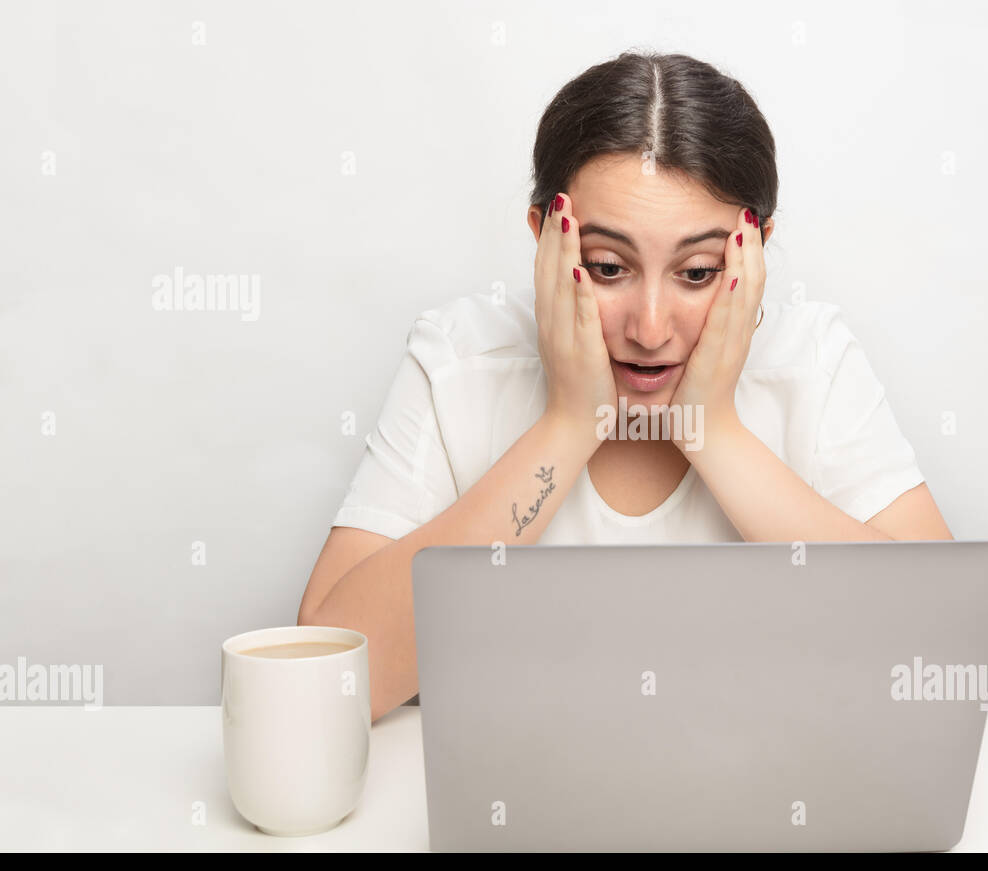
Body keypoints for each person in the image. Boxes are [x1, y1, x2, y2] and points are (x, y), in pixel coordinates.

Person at [298, 51, 953, 723]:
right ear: (545, 238)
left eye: (697, 272)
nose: (648, 327)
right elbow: (322, 681)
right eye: (608, 267)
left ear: (755, 251)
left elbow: (945, 648)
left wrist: (715, 431)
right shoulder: (459, 362)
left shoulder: (813, 363)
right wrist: (568, 425)